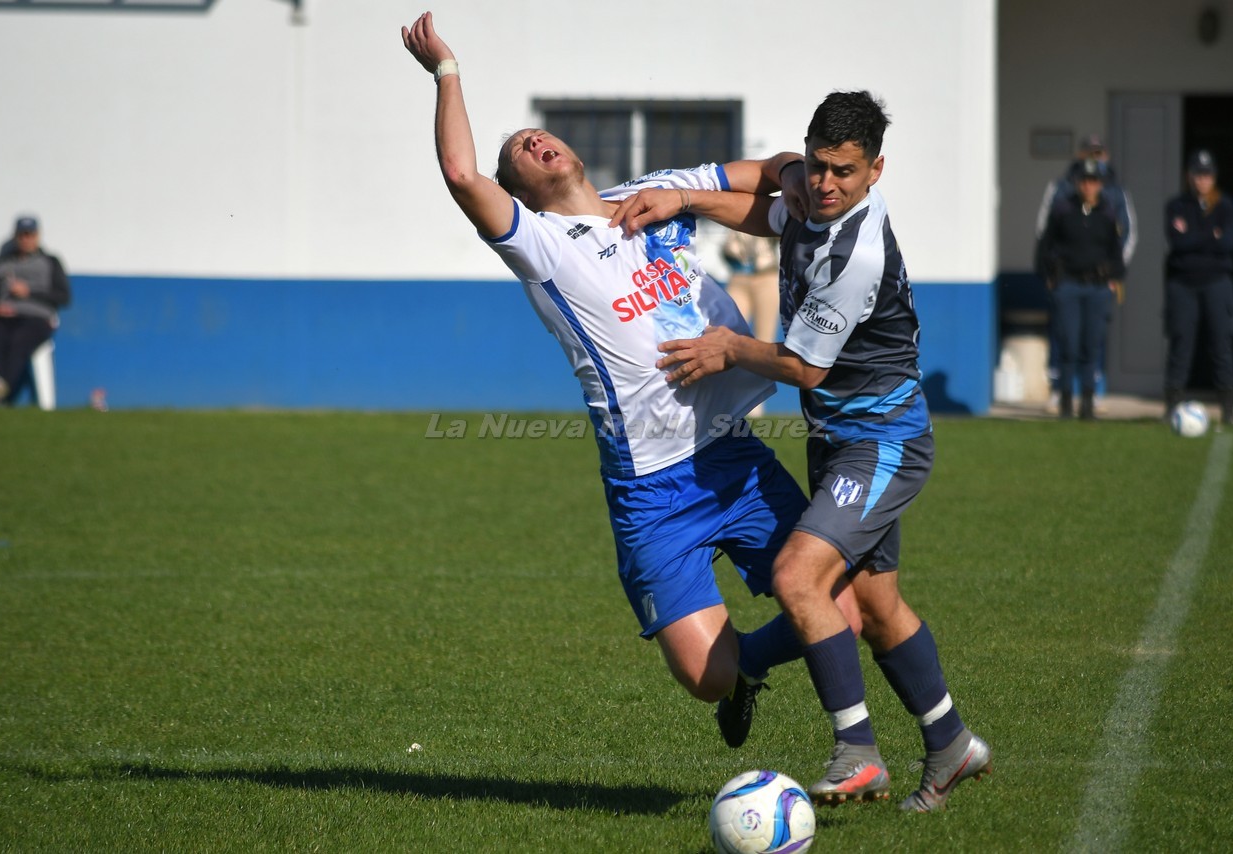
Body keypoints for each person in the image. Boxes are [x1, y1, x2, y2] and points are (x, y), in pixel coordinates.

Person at [399, 12, 863, 748]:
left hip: (733, 455)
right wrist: (446, 71)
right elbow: (461, 174)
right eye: (521, 151)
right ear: (520, 190)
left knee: (845, 610)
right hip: (651, 485)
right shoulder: (543, 245)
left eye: (538, 134)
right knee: (706, 676)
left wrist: (794, 184)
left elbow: (773, 170)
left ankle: (784, 686)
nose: (536, 142)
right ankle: (737, 673)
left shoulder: (655, 193)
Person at [612, 90, 991, 812]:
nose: (825, 183)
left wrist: (728, 348)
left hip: (881, 443)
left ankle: (857, 753)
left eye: (844, 171)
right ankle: (951, 745)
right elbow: (766, 209)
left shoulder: (855, 253)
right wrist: (683, 201)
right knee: (873, 604)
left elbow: (805, 367)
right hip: (836, 440)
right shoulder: (814, 203)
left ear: (876, 170)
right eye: (817, 165)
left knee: (796, 575)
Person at [1035, 134, 1137, 412]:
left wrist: (1115, 276)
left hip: (1098, 284)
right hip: (1067, 283)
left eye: (1099, 152)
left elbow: (1122, 242)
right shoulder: (1061, 198)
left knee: (1092, 343)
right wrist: (1050, 276)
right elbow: (1045, 240)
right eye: (1089, 153)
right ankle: (1064, 395)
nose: (1089, 185)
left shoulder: (1112, 202)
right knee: (1067, 341)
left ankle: (1091, 397)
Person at [1163, 149, 1233, 425]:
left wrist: (1194, 236)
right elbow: (1177, 243)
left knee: (1221, 344)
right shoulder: (1176, 205)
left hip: (1217, 282)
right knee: (1180, 343)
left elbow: (1228, 243)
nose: (1202, 180)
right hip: (1183, 283)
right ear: (1189, 176)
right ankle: (1171, 405)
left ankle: (1228, 409)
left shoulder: (1225, 206)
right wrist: (1210, 236)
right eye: (1198, 175)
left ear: (1214, 177)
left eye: (1207, 175)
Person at [0, 216, 70, 408]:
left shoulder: (50, 262)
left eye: (30, 235)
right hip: (3, 317)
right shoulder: (3, 263)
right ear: (16, 237)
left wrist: (29, 291)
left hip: (36, 318)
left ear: (37, 236)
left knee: (19, 339)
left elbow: (63, 297)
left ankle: (0, 391)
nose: (26, 239)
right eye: (22, 235)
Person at [722, 232, 780, 417]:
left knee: (764, 342)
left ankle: (756, 404)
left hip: (767, 276)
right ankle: (729, 401)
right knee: (728, 336)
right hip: (738, 276)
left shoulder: (772, 216)